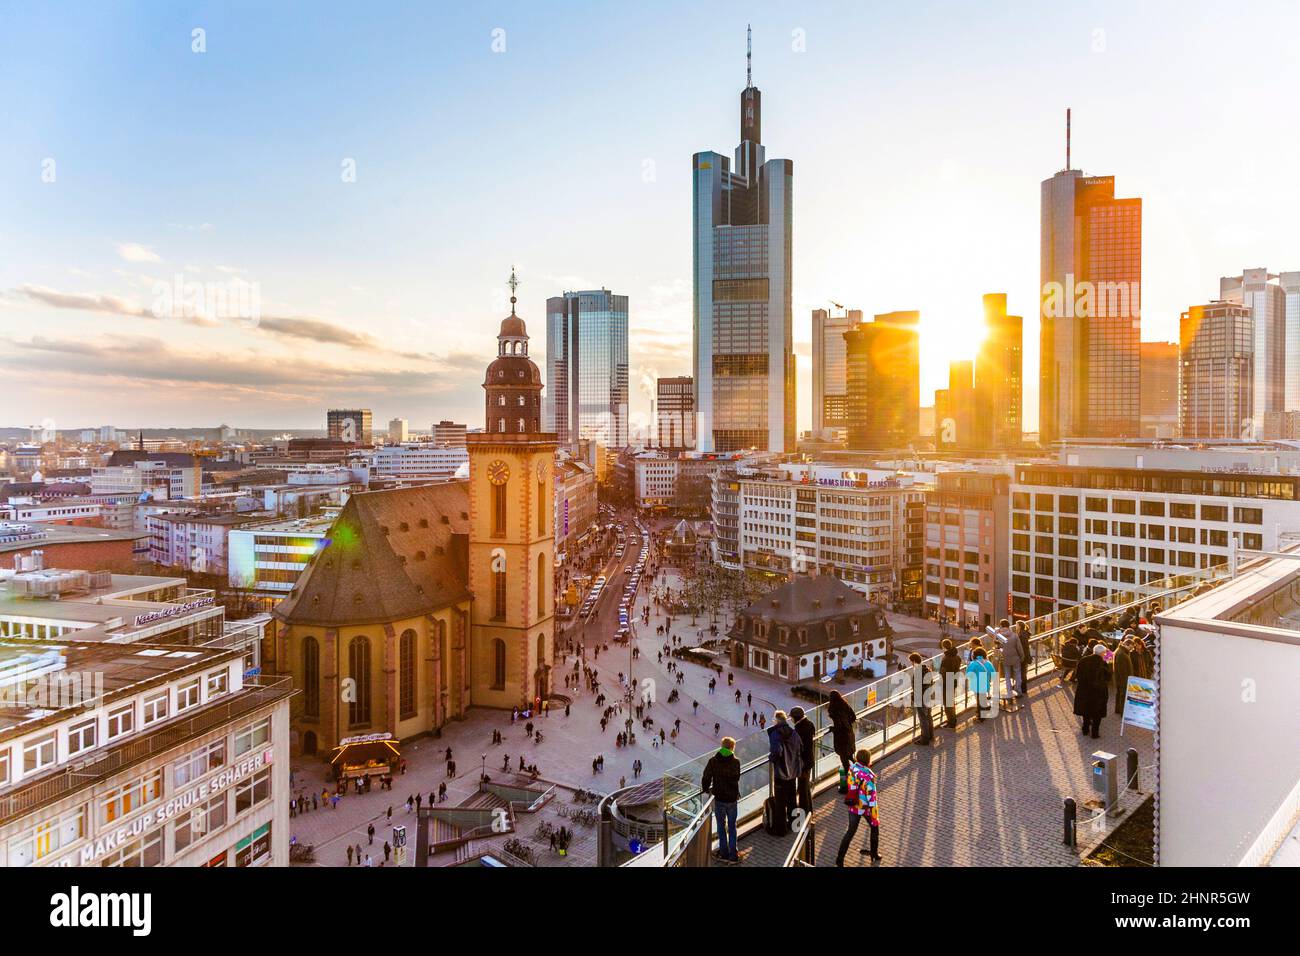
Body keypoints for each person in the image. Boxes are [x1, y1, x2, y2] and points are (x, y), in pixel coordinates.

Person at [835, 748, 880, 866]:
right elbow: (872, 796)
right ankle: (874, 853)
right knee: (874, 827)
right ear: (868, 760)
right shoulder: (868, 776)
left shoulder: (852, 769)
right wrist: (873, 812)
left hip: (854, 804)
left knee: (850, 831)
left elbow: (851, 785)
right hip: (865, 807)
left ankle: (840, 858)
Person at [701, 736, 741, 864]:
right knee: (732, 826)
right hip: (732, 798)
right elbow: (736, 778)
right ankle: (733, 855)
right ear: (732, 748)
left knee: (721, 826)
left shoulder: (713, 761)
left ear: (722, 746)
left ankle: (724, 853)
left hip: (719, 798)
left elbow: (706, 776)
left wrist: (706, 789)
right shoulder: (736, 762)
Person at [767, 711, 803, 835]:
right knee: (792, 798)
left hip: (781, 772)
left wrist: (771, 759)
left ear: (777, 721)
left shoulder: (775, 734)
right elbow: (800, 747)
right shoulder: (794, 733)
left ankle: (780, 829)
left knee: (780, 801)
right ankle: (794, 825)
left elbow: (777, 751)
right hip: (793, 771)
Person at [1074, 643, 1110, 738]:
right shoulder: (1102, 663)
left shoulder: (1083, 660)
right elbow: (1108, 677)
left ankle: (1085, 729)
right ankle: (1095, 733)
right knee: (1097, 714)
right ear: (1101, 653)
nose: (1105, 654)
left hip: (1084, 691)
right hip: (1098, 693)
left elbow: (1077, 675)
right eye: (1104, 653)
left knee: (1086, 711)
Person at [827, 690, 856, 786]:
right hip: (849, 734)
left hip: (841, 738)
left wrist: (833, 728)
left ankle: (849, 784)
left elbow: (838, 725)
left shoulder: (833, 709)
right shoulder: (845, 705)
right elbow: (853, 717)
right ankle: (859, 775)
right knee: (851, 757)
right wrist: (847, 724)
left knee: (845, 761)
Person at [790, 706, 816, 814]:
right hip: (809, 761)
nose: (791, 719)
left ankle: (804, 813)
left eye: (792, 717)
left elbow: (799, 750)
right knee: (805, 787)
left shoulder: (798, 730)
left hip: (802, 764)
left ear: (796, 718)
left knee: (802, 789)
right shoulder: (809, 724)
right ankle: (809, 810)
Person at [908, 652, 934, 745]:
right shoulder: (927, 669)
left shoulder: (918, 672)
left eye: (911, 662)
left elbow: (917, 688)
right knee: (929, 716)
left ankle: (924, 739)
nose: (911, 665)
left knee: (923, 719)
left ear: (914, 661)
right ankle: (931, 735)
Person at [965, 648, 997, 721]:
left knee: (979, 700)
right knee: (983, 698)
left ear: (975, 655)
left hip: (976, 684)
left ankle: (980, 717)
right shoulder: (988, 663)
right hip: (985, 684)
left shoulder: (973, 663)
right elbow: (993, 674)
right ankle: (983, 712)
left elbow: (968, 674)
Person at [996, 618, 1024, 700]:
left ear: (1001, 626)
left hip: (1005, 658)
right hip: (1015, 658)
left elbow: (997, 646)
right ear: (1009, 626)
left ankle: (1009, 693)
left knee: (1007, 676)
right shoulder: (1014, 635)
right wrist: (1022, 656)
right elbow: (1019, 648)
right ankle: (1018, 692)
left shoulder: (999, 636)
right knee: (1017, 674)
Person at [939, 639, 963, 728]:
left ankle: (951, 722)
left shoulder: (946, 658)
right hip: (954, 681)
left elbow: (942, 672)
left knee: (947, 703)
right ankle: (953, 719)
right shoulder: (957, 656)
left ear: (944, 647)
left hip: (947, 682)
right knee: (951, 701)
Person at [1111, 639, 1133, 715]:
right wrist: (1127, 680)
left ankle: (1118, 709)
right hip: (1123, 679)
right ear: (1128, 644)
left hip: (1118, 678)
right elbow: (1123, 670)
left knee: (1119, 693)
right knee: (1123, 695)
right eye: (1131, 647)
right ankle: (1122, 712)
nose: (1131, 649)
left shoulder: (1119, 651)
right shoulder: (1122, 654)